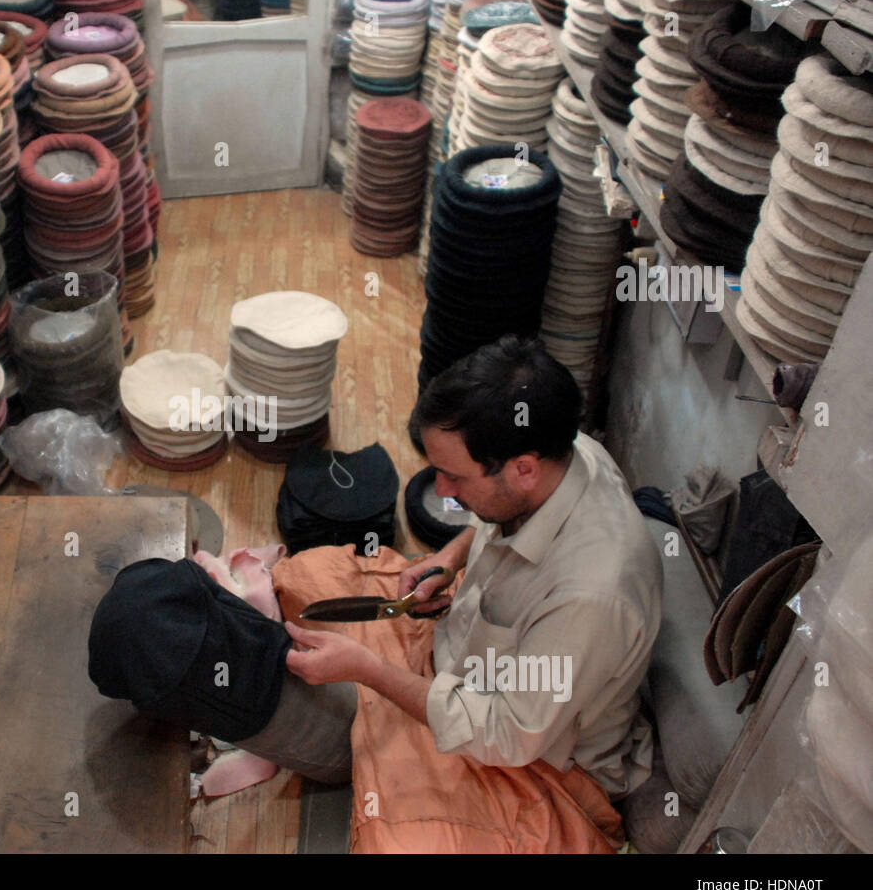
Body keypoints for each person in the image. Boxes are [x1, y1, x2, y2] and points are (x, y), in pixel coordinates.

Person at [275, 335, 662, 799]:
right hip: (458, 659)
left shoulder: (592, 597)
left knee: (393, 826)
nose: (439, 491)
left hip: (539, 762)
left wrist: (371, 670)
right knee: (301, 577)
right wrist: (451, 557)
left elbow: (507, 732)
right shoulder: (562, 447)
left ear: (523, 470)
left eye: (454, 477)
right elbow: (507, 515)